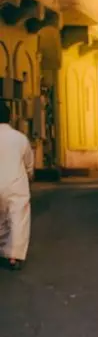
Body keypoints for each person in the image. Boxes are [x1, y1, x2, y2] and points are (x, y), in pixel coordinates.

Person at [0, 102, 33, 270]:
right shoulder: (20, 138)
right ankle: (14, 256)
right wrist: (29, 174)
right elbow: (28, 162)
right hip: (15, 183)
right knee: (18, 218)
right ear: (10, 117)